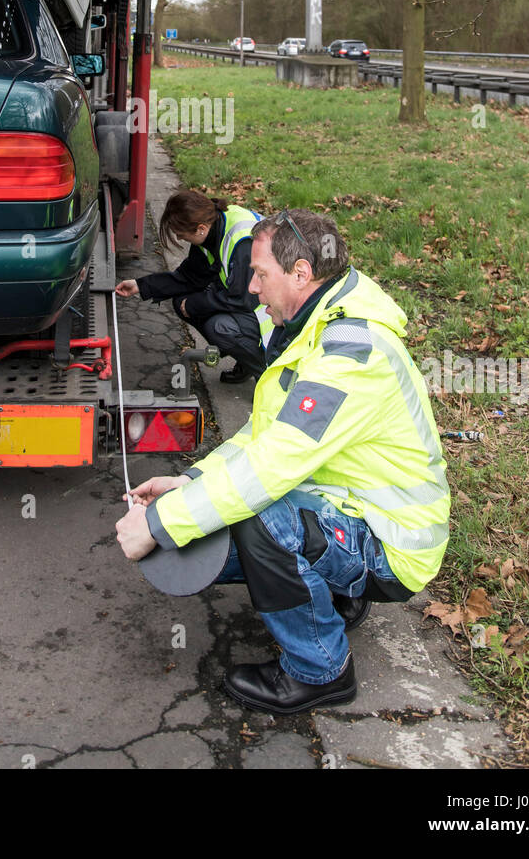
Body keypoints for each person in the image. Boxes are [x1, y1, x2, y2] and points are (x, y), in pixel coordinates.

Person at [115, 210, 450, 714]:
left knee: (260, 521)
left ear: (299, 275)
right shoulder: (317, 322)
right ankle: (340, 593)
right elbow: (264, 436)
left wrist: (161, 524)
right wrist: (188, 483)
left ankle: (320, 671)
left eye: (260, 274)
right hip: (354, 510)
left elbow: (270, 466)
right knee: (226, 516)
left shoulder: (348, 357)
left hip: (395, 545)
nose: (250, 288)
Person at [115, 189, 272, 382]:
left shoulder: (241, 241)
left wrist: (195, 304)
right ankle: (246, 358)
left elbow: (243, 299)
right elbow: (188, 277)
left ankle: (268, 375)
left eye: (181, 234)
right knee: (181, 301)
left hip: (274, 313)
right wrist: (140, 285)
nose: (180, 239)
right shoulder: (213, 226)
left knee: (220, 327)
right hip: (252, 301)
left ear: (200, 229)